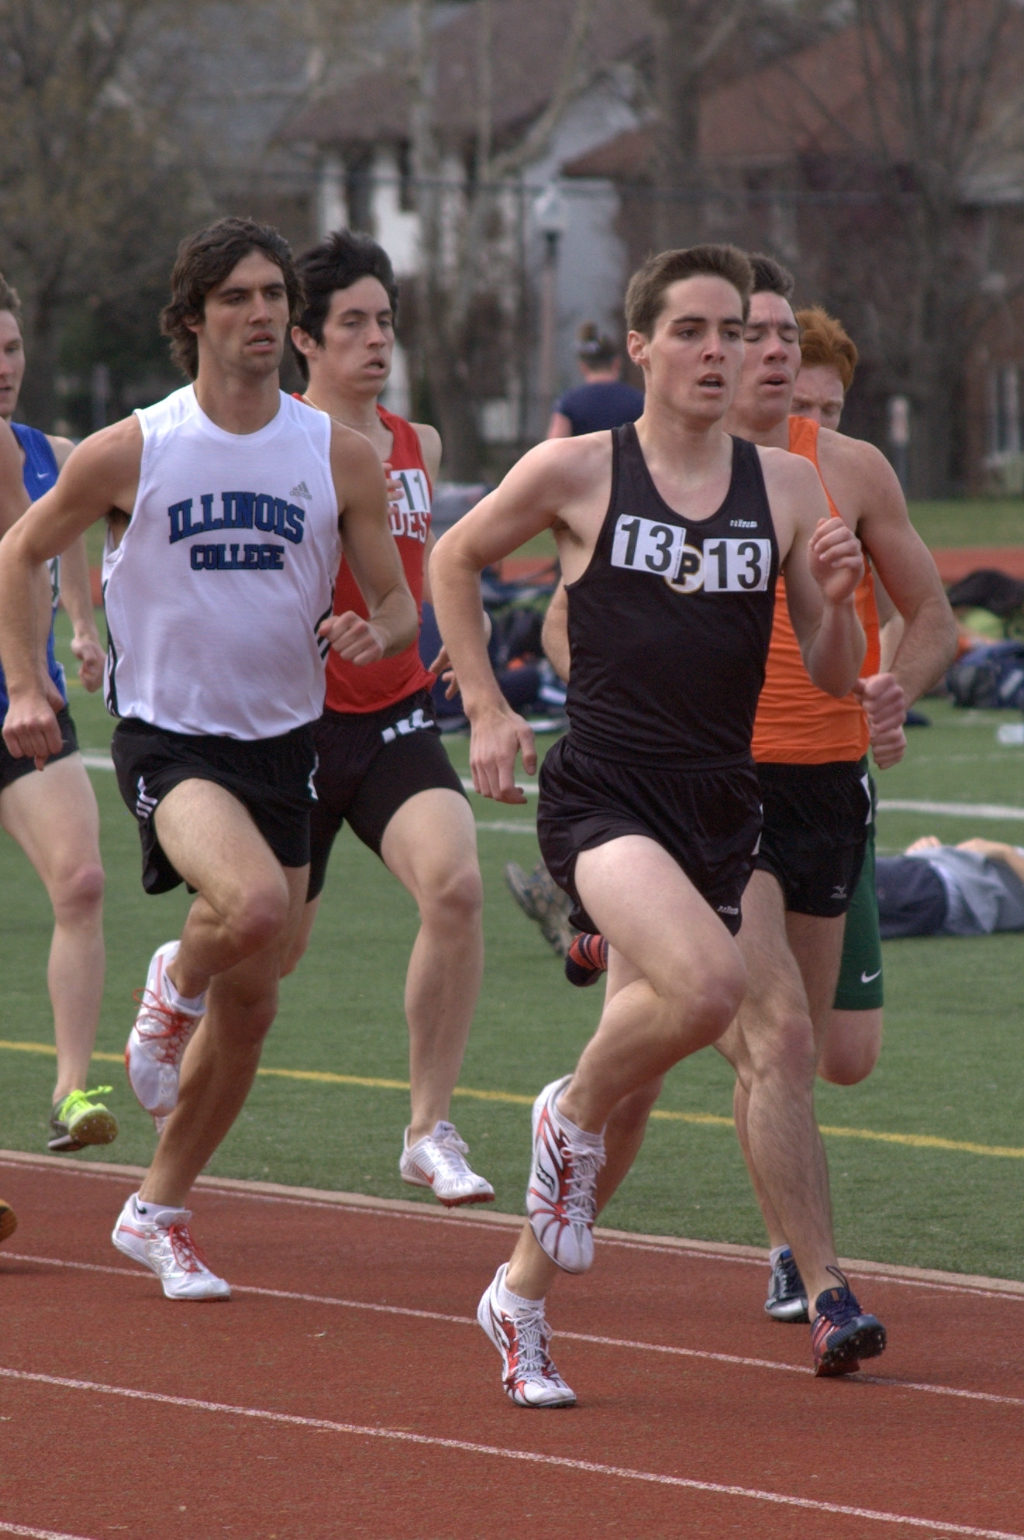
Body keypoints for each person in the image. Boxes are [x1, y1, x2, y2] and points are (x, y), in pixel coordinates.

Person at [431, 242, 875, 1403]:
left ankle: (518, 1296)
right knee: (715, 989)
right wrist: (484, 705)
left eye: (735, 331)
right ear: (640, 347)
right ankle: (559, 1112)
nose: (720, 351)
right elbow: (453, 557)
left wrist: (833, 590)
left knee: (632, 1092)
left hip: (722, 804)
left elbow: (833, 671)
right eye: (692, 330)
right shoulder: (579, 469)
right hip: (608, 794)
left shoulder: (783, 487)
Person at [0, 217, 417, 1300]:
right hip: (171, 739)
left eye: (275, 294)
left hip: (285, 740)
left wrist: (376, 630)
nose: (264, 313)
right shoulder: (136, 446)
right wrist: (29, 684)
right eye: (237, 297)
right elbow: (21, 550)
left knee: (256, 1007)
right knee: (252, 909)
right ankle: (164, 988)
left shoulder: (335, 454)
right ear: (193, 320)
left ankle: (157, 1207)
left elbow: (397, 601)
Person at [282, 229, 492, 1206]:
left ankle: (427, 1126)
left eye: (386, 321)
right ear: (303, 341)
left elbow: (436, 562)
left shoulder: (421, 444)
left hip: (397, 715)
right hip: (290, 728)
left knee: (453, 888)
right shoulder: (273, 443)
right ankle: (183, 975)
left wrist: (459, 641)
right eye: (353, 324)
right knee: (267, 951)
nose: (376, 340)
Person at [0, 275, 112, 1153]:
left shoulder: (56, 454)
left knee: (81, 883)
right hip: (19, 701)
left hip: (25, 715)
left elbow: (63, 536)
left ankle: (73, 1094)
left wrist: (83, 627)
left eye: (11, 348)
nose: (4, 367)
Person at [876, 835, 1024, 938]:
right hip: (934, 886)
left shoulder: (1009, 854)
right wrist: (933, 853)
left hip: (938, 887)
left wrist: (1006, 852)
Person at [545, 323, 643, 439]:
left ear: (583, 367)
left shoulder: (568, 402)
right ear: (616, 363)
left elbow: (554, 446)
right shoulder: (639, 401)